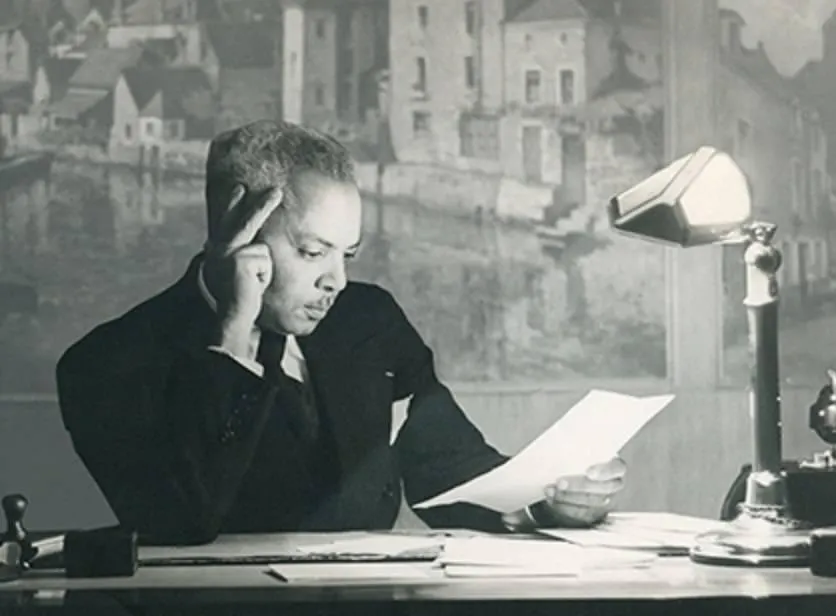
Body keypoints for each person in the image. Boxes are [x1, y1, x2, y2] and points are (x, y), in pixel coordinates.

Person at [56, 120, 627, 545]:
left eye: (348, 254)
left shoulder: (369, 321)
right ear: (236, 225)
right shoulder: (107, 363)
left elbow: (446, 468)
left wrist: (543, 502)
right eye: (312, 252)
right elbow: (184, 519)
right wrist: (232, 335)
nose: (336, 281)